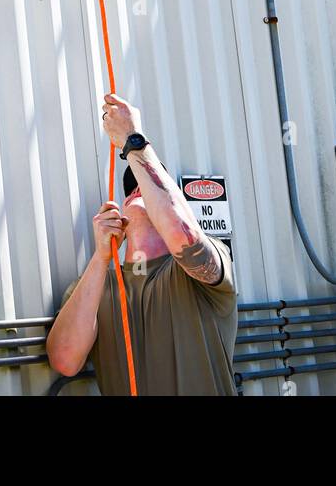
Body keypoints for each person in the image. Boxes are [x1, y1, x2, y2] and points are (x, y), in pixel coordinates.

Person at [46, 94, 238, 396]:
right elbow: (64, 360)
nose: (139, 192)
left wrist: (133, 141)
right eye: (133, 189)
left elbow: (183, 234)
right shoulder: (96, 287)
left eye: (149, 189)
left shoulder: (206, 266)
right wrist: (100, 259)